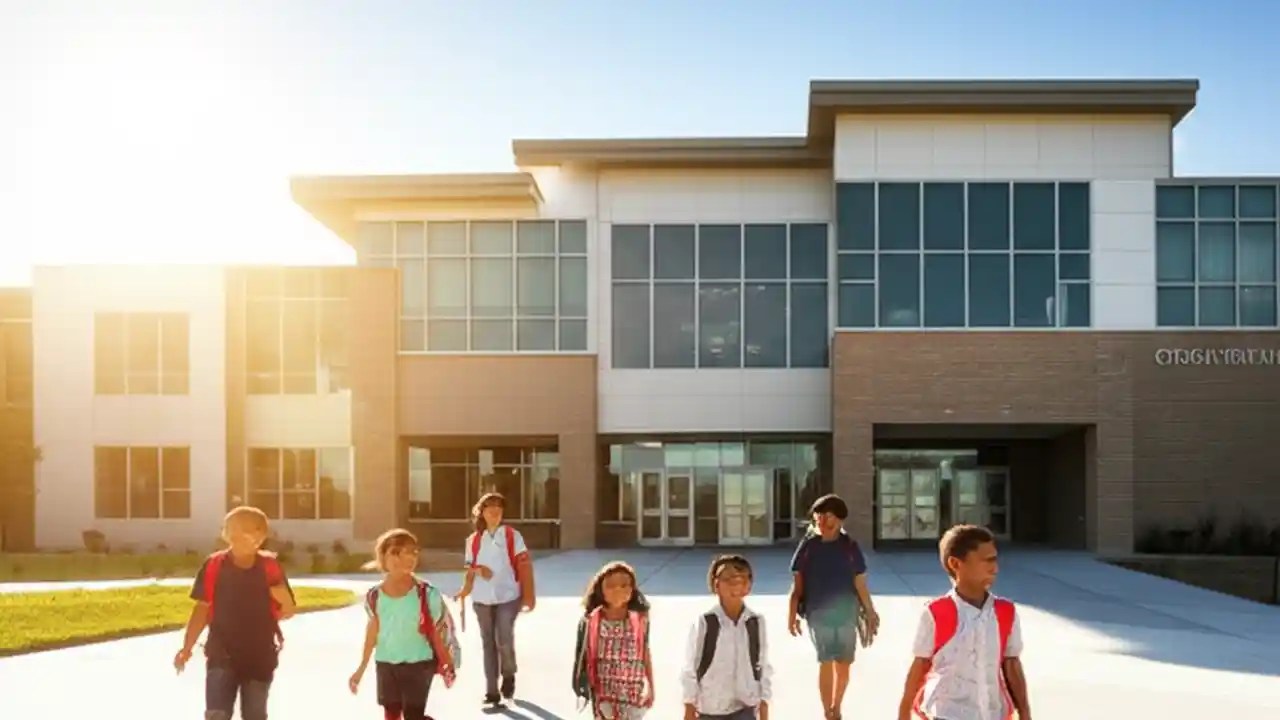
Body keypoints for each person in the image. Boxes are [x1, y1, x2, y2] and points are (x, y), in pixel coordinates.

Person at [897, 524, 1031, 720]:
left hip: (994, 714)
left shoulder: (1005, 612)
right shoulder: (936, 612)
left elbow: (1011, 664)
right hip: (947, 713)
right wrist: (903, 713)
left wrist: (1025, 713)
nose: (995, 568)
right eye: (987, 561)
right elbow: (920, 664)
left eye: (995, 559)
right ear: (956, 564)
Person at [174, 506, 297, 720]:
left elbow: (288, 610)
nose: (243, 536)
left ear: (262, 536)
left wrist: (280, 595)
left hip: (259, 657)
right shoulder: (214, 565)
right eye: (234, 530)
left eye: (251, 531)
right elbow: (201, 610)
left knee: (255, 715)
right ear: (227, 534)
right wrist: (187, 647)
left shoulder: (269, 567)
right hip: (221, 654)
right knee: (216, 715)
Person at [787, 494, 880, 720]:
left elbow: (860, 583)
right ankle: (827, 711)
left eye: (829, 516)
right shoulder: (808, 546)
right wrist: (792, 615)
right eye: (819, 516)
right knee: (826, 659)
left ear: (840, 520)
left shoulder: (849, 547)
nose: (823, 521)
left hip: (847, 613)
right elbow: (797, 585)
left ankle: (837, 706)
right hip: (817, 611)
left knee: (844, 662)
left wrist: (870, 610)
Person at [349, 528, 457, 720]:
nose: (405, 557)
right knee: (391, 714)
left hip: (419, 663)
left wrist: (447, 661)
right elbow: (372, 633)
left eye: (411, 552)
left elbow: (436, 631)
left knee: (413, 715)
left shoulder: (427, 593)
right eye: (396, 552)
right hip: (386, 664)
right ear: (382, 557)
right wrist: (361, 668)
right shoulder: (374, 596)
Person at [455, 492, 534, 708]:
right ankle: (491, 691)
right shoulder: (473, 541)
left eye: (499, 507)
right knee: (488, 643)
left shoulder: (511, 536)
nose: (495, 510)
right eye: (490, 507)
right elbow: (470, 569)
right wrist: (465, 589)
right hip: (481, 599)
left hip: (508, 596)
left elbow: (524, 566)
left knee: (503, 639)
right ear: (481, 512)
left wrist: (529, 596)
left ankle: (508, 674)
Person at [681, 554, 772, 720]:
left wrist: (764, 702)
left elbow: (763, 664)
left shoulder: (755, 622)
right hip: (711, 707)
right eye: (729, 579)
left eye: (742, 579)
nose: (735, 585)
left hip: (746, 706)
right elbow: (690, 666)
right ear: (716, 585)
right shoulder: (706, 622)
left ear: (748, 586)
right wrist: (689, 704)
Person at [571, 561, 655, 719]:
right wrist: (581, 685)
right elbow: (582, 655)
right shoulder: (591, 620)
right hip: (604, 692)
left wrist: (650, 686)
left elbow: (645, 651)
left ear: (632, 589)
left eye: (624, 585)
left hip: (633, 691)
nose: (618, 590)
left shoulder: (640, 620)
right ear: (600, 590)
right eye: (611, 585)